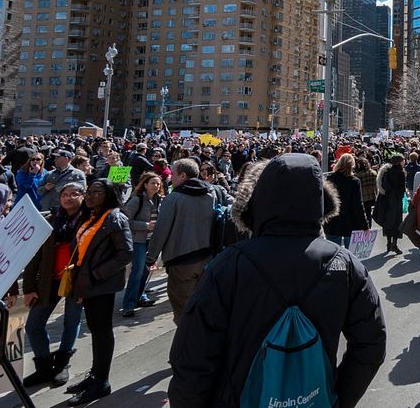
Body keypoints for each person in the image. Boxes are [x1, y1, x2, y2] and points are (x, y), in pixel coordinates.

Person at [168, 153, 387, 407]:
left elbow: (192, 357)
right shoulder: (346, 266)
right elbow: (371, 345)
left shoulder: (229, 266)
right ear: (319, 201)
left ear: (259, 198)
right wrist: (338, 397)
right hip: (315, 398)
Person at [64, 179, 133, 405]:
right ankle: (95, 375)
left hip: (100, 285)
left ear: (109, 194)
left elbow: (125, 254)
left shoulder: (115, 218)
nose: (90, 195)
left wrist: (95, 275)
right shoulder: (90, 216)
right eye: (89, 192)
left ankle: (101, 381)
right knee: (95, 329)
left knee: (102, 331)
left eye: (96, 192)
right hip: (87, 284)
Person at [22, 182, 88, 387]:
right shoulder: (50, 221)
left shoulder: (89, 222)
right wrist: (29, 288)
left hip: (75, 281)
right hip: (48, 281)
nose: (67, 198)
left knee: (71, 321)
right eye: (64, 195)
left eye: (73, 194)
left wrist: (87, 287)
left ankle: (62, 363)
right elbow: (34, 257)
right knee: (33, 325)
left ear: (83, 196)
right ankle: (43, 367)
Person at [145, 158, 217, 322]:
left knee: (184, 313)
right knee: (202, 307)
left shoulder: (173, 198)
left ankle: (191, 344)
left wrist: (151, 257)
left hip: (181, 262)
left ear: (183, 175)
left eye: (173, 173)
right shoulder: (211, 193)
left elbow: (161, 230)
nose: (170, 176)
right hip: (206, 257)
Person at [120, 172, 163, 317]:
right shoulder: (137, 200)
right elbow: (125, 220)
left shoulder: (159, 200)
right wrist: (145, 225)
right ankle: (128, 304)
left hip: (152, 241)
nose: (156, 186)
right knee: (137, 271)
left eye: (158, 184)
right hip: (138, 240)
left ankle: (140, 296)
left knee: (146, 270)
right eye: (153, 183)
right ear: (145, 184)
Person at [324, 153, 368, 248]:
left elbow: (325, 201)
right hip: (350, 222)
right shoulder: (354, 181)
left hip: (333, 221)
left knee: (333, 255)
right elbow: (358, 205)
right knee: (350, 255)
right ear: (352, 165)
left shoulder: (330, 179)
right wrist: (364, 225)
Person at [374, 154, 406, 254]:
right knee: (396, 222)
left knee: (388, 222)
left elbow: (384, 185)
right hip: (396, 200)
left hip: (387, 199)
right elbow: (401, 188)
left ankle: (388, 243)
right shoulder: (400, 173)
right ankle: (394, 244)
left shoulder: (387, 171)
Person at [355, 157, 378, 226]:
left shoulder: (357, 176)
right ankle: (369, 226)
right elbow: (376, 186)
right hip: (372, 196)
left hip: (362, 197)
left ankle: (363, 226)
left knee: (361, 213)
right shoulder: (373, 173)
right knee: (368, 213)